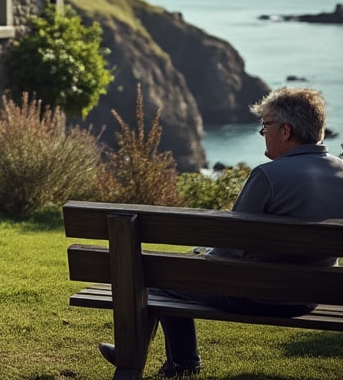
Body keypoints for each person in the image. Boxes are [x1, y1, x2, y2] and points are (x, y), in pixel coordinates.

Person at [98, 87, 343, 377]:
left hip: (256, 297)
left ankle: (177, 361)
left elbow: (229, 245)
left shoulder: (268, 176)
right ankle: (175, 360)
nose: (262, 133)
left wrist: (203, 255)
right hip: (310, 297)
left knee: (161, 275)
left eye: (265, 126)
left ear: (286, 131)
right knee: (174, 270)